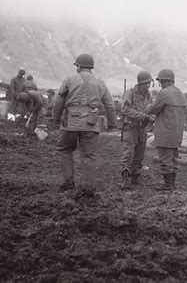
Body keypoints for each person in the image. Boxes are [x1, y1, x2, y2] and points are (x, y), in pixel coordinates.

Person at [52, 53, 117, 194]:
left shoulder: (69, 79)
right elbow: (110, 105)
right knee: (88, 155)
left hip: (70, 123)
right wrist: (112, 124)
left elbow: (59, 101)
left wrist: (56, 119)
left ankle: (68, 182)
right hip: (91, 123)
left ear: (79, 66)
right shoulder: (100, 82)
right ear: (91, 67)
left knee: (64, 150)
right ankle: (88, 188)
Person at [145, 69, 186, 191]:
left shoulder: (164, 93)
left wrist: (147, 106)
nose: (160, 82)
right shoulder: (179, 92)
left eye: (160, 80)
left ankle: (168, 185)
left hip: (165, 131)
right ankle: (172, 183)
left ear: (163, 80)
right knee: (173, 157)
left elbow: (152, 109)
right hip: (177, 131)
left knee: (165, 158)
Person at [120, 70, 154, 189]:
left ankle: (135, 176)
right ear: (140, 84)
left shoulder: (149, 95)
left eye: (149, 83)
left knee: (140, 154)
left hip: (142, 128)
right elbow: (124, 109)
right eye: (146, 84)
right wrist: (141, 115)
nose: (148, 86)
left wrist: (151, 117)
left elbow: (150, 109)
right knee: (128, 153)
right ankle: (125, 178)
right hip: (130, 127)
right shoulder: (130, 93)